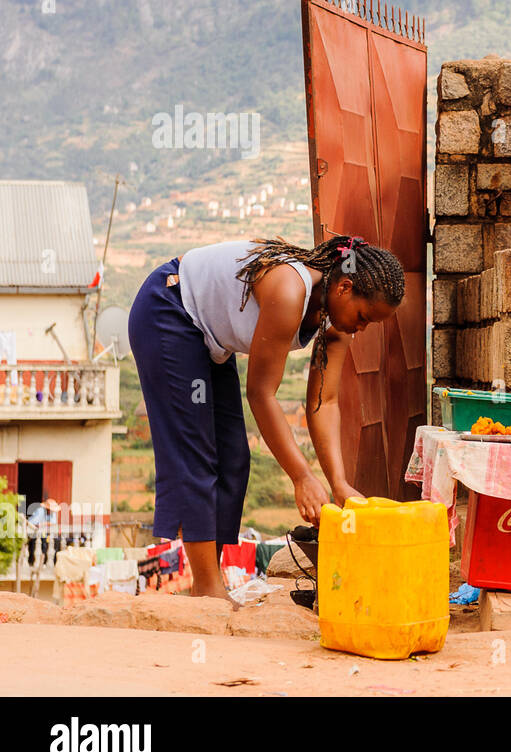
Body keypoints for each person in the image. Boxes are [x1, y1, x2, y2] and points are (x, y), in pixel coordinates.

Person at [128, 236, 405, 599]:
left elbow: (326, 401)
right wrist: (302, 477)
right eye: (364, 317)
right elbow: (260, 393)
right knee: (195, 455)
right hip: (168, 308)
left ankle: (205, 586)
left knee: (234, 458)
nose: (361, 328)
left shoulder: (337, 322)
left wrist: (337, 482)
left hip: (208, 339)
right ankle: (209, 590)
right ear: (344, 286)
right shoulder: (290, 292)